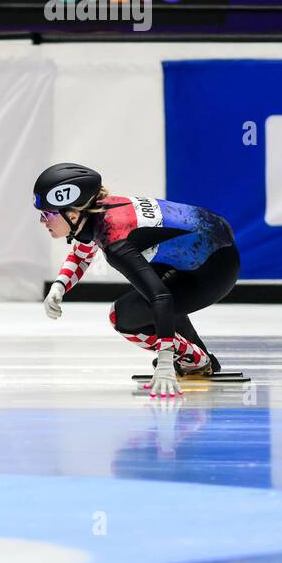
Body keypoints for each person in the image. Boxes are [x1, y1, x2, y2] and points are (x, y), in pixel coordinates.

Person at [33, 162, 237, 399]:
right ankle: (196, 357)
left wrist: (164, 363)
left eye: (47, 214)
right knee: (148, 282)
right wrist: (60, 286)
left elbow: (160, 297)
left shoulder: (116, 243)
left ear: (73, 214)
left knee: (122, 316)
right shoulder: (100, 210)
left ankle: (196, 360)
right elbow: (82, 250)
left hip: (214, 270)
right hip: (211, 244)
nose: (43, 221)